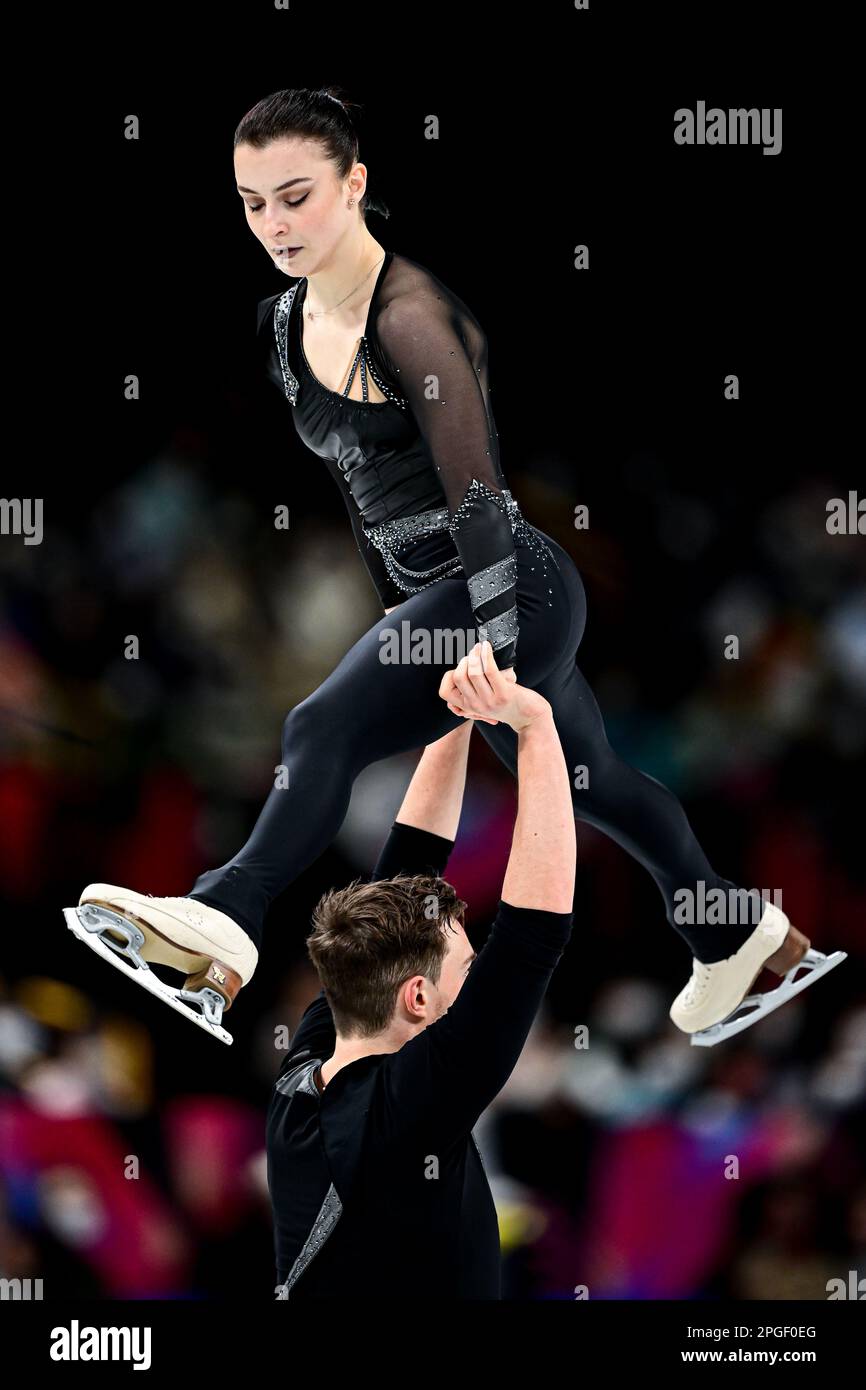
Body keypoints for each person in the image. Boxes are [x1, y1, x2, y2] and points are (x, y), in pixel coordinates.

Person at [70, 87, 843, 1048]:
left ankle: (224, 920)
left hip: (511, 585)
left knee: (320, 728)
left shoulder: (413, 319)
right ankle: (732, 930)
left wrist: (496, 652)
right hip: (447, 599)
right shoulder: (282, 324)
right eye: (252, 201)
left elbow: (480, 502)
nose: (273, 223)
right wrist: (407, 621)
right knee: (592, 779)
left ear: (355, 184)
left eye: (296, 195)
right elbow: (362, 493)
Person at [270, 642, 574, 1299]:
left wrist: (458, 711)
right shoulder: (410, 1108)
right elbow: (532, 936)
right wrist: (536, 726)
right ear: (416, 998)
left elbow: (407, 876)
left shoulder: (310, 1076)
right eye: (466, 967)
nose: (476, 979)